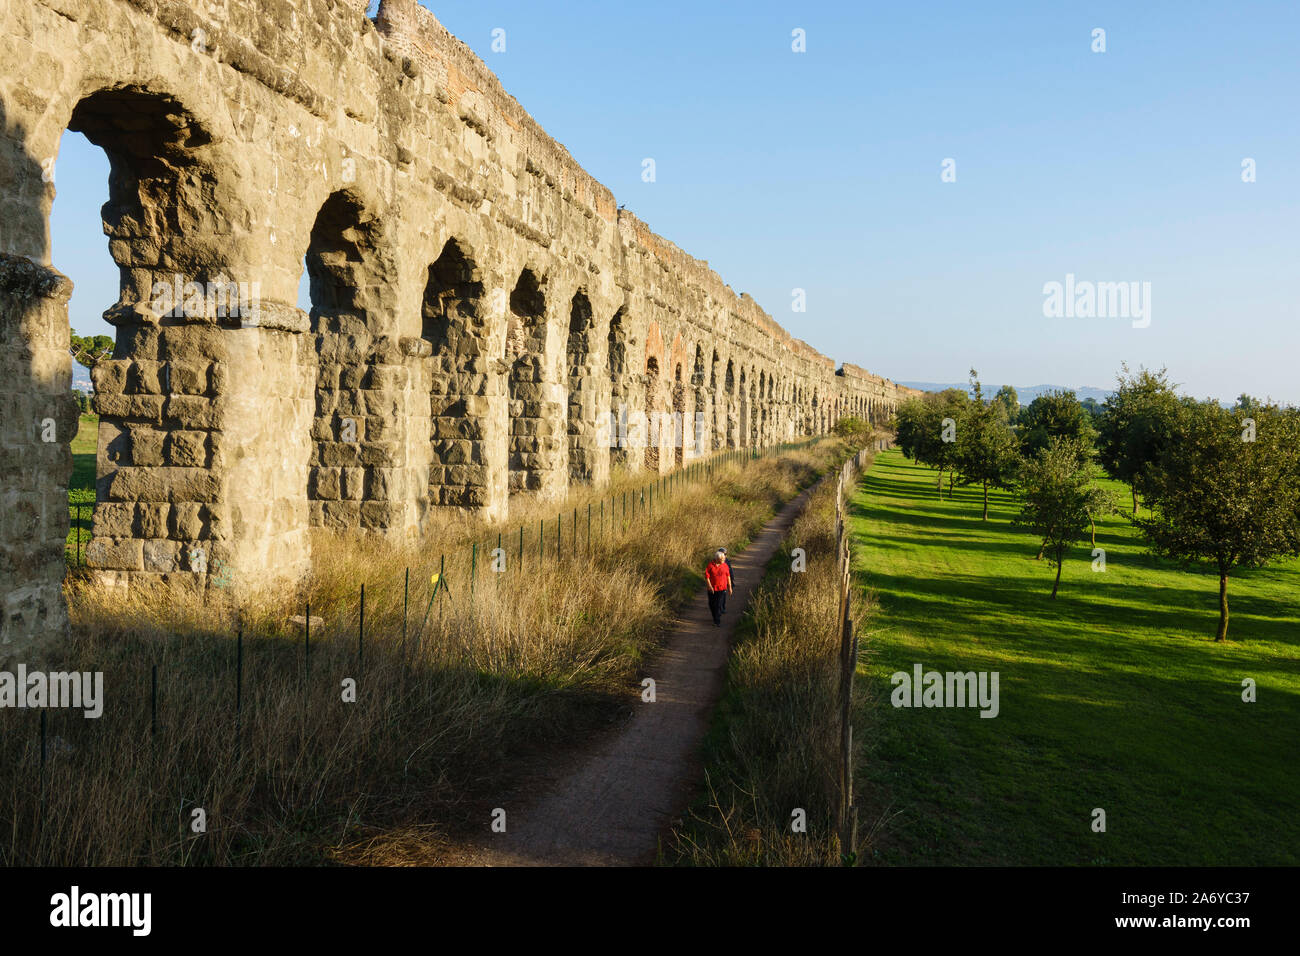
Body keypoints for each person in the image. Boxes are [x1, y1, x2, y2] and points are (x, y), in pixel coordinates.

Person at [705, 549, 732, 627]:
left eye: (724, 559)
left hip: (722, 589)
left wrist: (730, 587)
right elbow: (707, 577)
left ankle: (717, 621)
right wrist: (709, 586)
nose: (724, 560)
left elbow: (728, 576)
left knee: (718, 604)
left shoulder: (725, 565)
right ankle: (715, 617)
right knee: (711, 604)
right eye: (722, 559)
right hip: (712, 589)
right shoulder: (710, 566)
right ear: (717, 559)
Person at [718, 547, 734, 614]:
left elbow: (730, 571)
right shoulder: (723, 561)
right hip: (719, 582)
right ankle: (720, 608)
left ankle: (721, 608)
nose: (725, 555)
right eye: (724, 554)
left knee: (722, 596)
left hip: (722, 582)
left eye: (725, 554)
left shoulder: (726, 561)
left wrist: (732, 581)